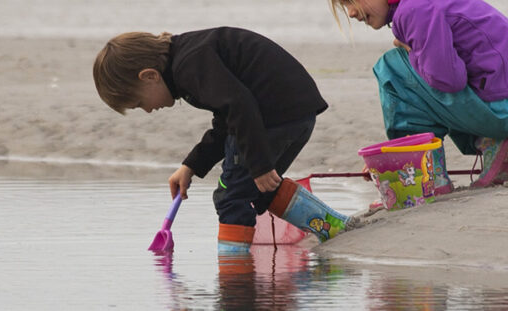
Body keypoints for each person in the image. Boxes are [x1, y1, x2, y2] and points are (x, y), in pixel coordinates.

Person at [93, 27, 365, 255]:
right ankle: (332, 226)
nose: (148, 110)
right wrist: (191, 165)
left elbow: (238, 107)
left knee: (231, 196)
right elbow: (226, 121)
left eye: (140, 103)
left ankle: (234, 278)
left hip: (272, 114)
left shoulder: (190, 64)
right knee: (255, 189)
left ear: (150, 76)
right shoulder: (188, 59)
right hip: (295, 113)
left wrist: (258, 165)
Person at [324, 0, 508, 191]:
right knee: (414, 71)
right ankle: (488, 142)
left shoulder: (414, 9)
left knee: (392, 68)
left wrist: (410, 50)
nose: (351, 12)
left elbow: (447, 80)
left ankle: (423, 170)